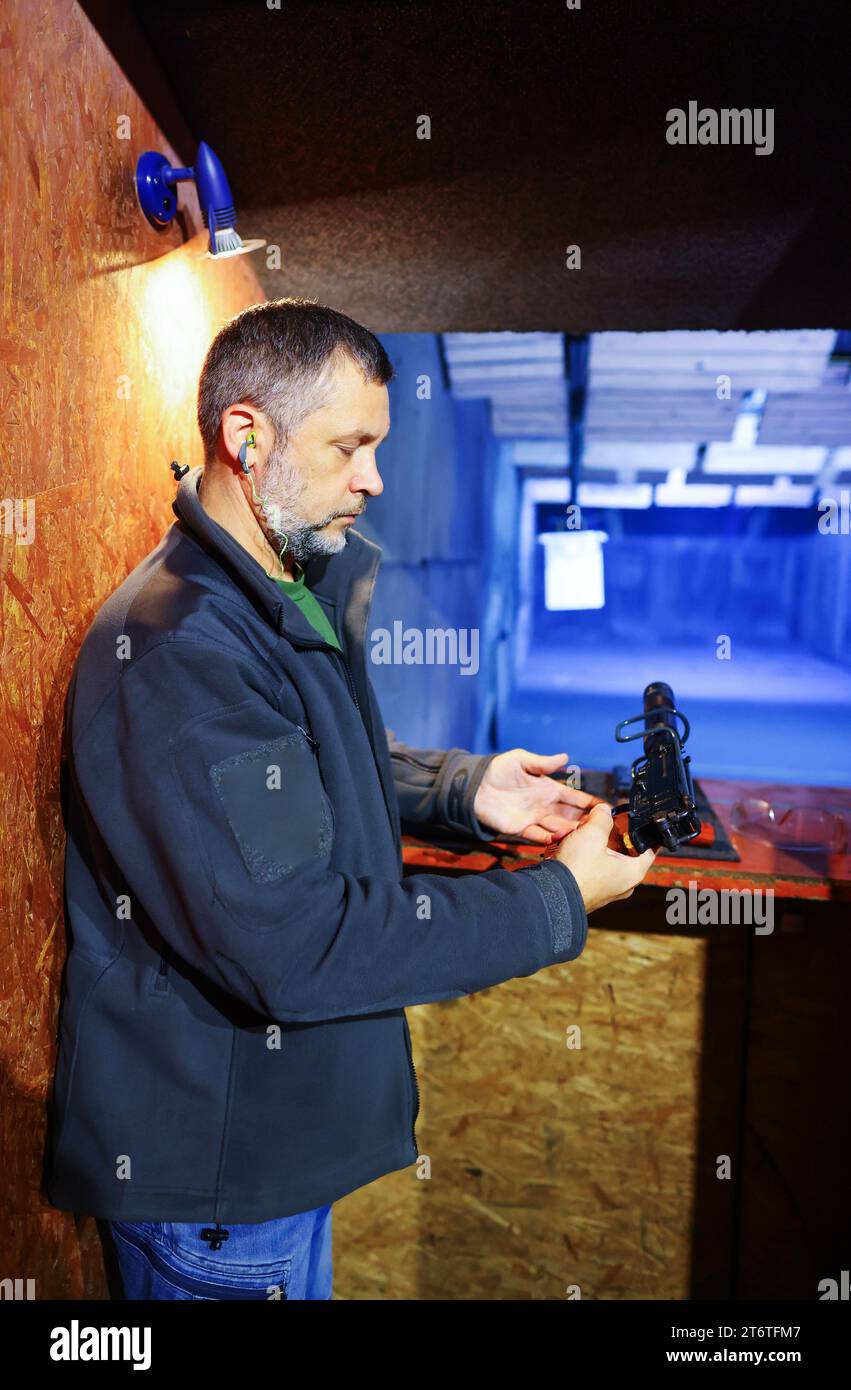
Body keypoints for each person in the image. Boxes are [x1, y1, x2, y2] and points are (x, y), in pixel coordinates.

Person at [45, 298, 655, 1300]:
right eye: (350, 447)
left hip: (265, 1157)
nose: (373, 477)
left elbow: (313, 763)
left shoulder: (266, 589)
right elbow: (303, 946)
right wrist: (556, 899)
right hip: (223, 1187)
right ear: (246, 436)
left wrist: (465, 791)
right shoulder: (183, 651)